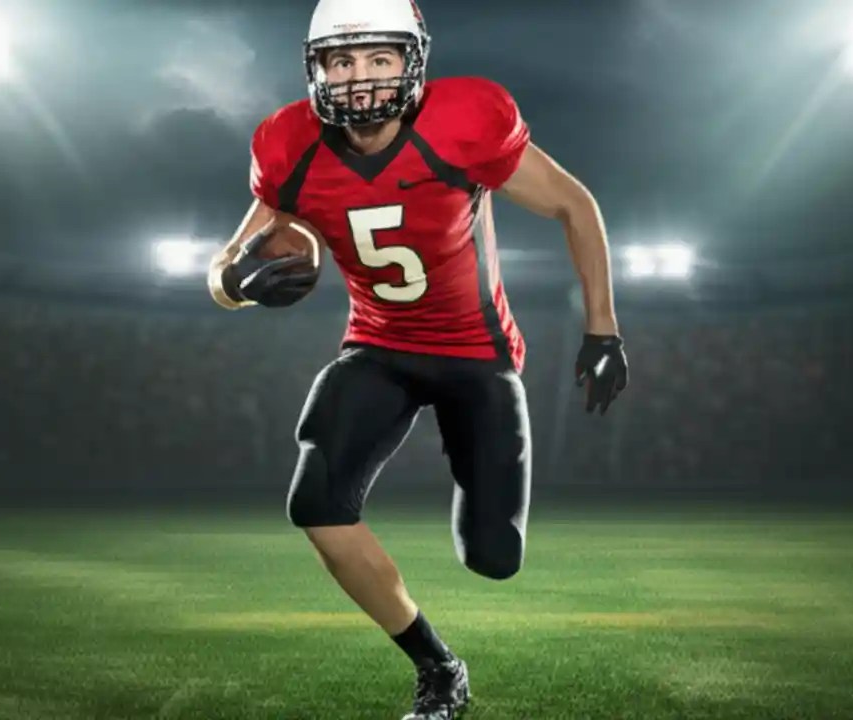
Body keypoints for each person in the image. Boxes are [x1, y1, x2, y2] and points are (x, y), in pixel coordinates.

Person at [206, 1, 628, 717]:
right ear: (317, 69)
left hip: (477, 354)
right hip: (379, 345)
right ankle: (438, 667)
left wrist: (603, 331)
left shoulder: (465, 123)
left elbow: (574, 204)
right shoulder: (291, 144)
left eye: (379, 58)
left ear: (413, 62)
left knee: (493, 558)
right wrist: (234, 284)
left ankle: (479, 507)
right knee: (316, 504)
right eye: (342, 61)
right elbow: (225, 264)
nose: (360, 77)